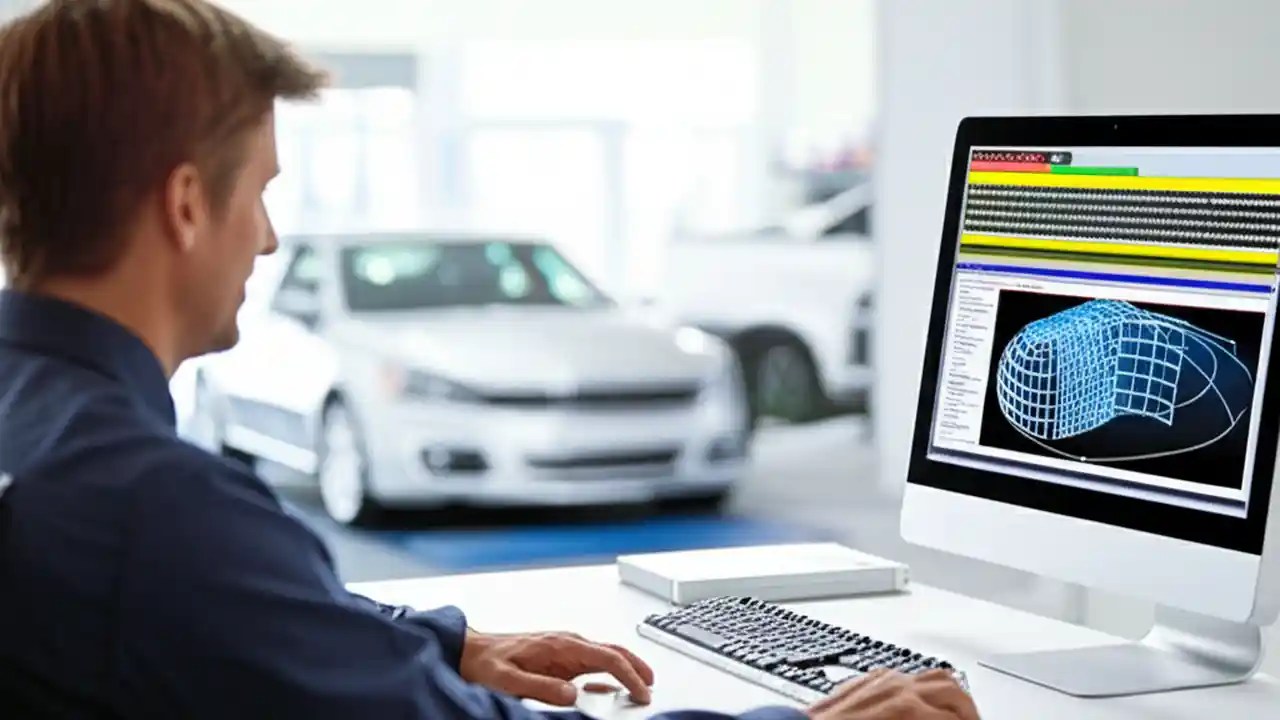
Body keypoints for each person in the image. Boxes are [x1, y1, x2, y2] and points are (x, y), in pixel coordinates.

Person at [0, 2, 980, 719]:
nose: (263, 241)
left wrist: (448, 643)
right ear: (182, 205)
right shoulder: (149, 507)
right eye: (258, 193)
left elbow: (219, 619)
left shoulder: (42, 427)